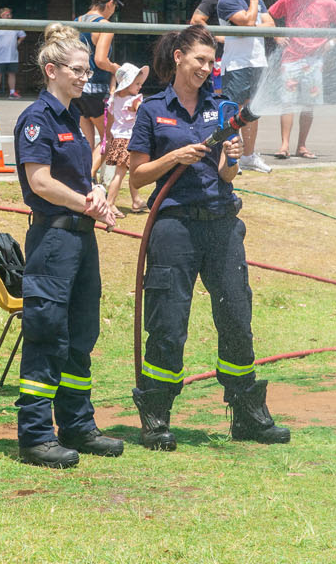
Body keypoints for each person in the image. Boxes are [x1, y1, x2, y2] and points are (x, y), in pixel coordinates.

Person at [128, 24, 290, 450]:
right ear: (179, 56)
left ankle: (247, 415)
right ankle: (156, 417)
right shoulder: (152, 110)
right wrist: (175, 156)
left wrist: (231, 158)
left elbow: (226, 174)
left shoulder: (221, 108)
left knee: (236, 316)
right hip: (174, 228)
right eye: (200, 59)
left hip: (221, 224)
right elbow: (137, 176)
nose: (206, 68)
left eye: (211, 62)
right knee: (167, 322)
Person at [12, 24, 124, 468]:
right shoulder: (37, 120)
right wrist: (86, 203)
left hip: (81, 238)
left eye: (86, 70)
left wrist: (95, 192)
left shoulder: (72, 122)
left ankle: (77, 425)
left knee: (81, 333)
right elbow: (40, 182)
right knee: (47, 333)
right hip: (53, 240)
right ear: (52, 70)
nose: (84, 77)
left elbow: (75, 179)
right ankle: (36, 436)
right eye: (77, 70)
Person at [267, 0, 336, 160]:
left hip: (314, 59)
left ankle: (301, 146)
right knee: (287, 102)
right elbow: (268, 15)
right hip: (291, 57)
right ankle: (284, 145)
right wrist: (276, 36)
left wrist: (331, 43)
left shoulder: (327, 2)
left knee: (308, 104)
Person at [214, 0, 273, 172]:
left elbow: (271, 25)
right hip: (236, 64)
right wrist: (254, 2)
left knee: (252, 110)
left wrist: (251, 22)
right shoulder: (227, 0)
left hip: (258, 61)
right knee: (233, 110)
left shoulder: (256, 0)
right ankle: (231, 157)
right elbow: (248, 23)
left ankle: (248, 155)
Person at [75, 0, 123, 166]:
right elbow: (101, 60)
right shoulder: (105, 26)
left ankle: (82, 176)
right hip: (96, 89)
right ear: (110, 3)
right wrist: (116, 69)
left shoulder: (77, 21)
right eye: (115, 6)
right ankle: (89, 176)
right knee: (110, 138)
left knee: (86, 140)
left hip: (78, 87)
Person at [100, 62, 149, 212]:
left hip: (118, 138)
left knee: (132, 170)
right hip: (129, 139)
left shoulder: (115, 98)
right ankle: (110, 203)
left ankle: (136, 200)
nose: (140, 86)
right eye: (137, 83)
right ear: (128, 84)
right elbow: (143, 113)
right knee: (120, 174)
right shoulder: (135, 100)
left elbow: (111, 117)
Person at [0, 7, 26, 98]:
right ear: (1, 15)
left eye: (10, 14)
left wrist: (18, 42)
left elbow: (23, 35)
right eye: (7, 15)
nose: (9, 16)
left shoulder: (14, 25)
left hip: (12, 55)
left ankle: (12, 92)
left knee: (12, 73)